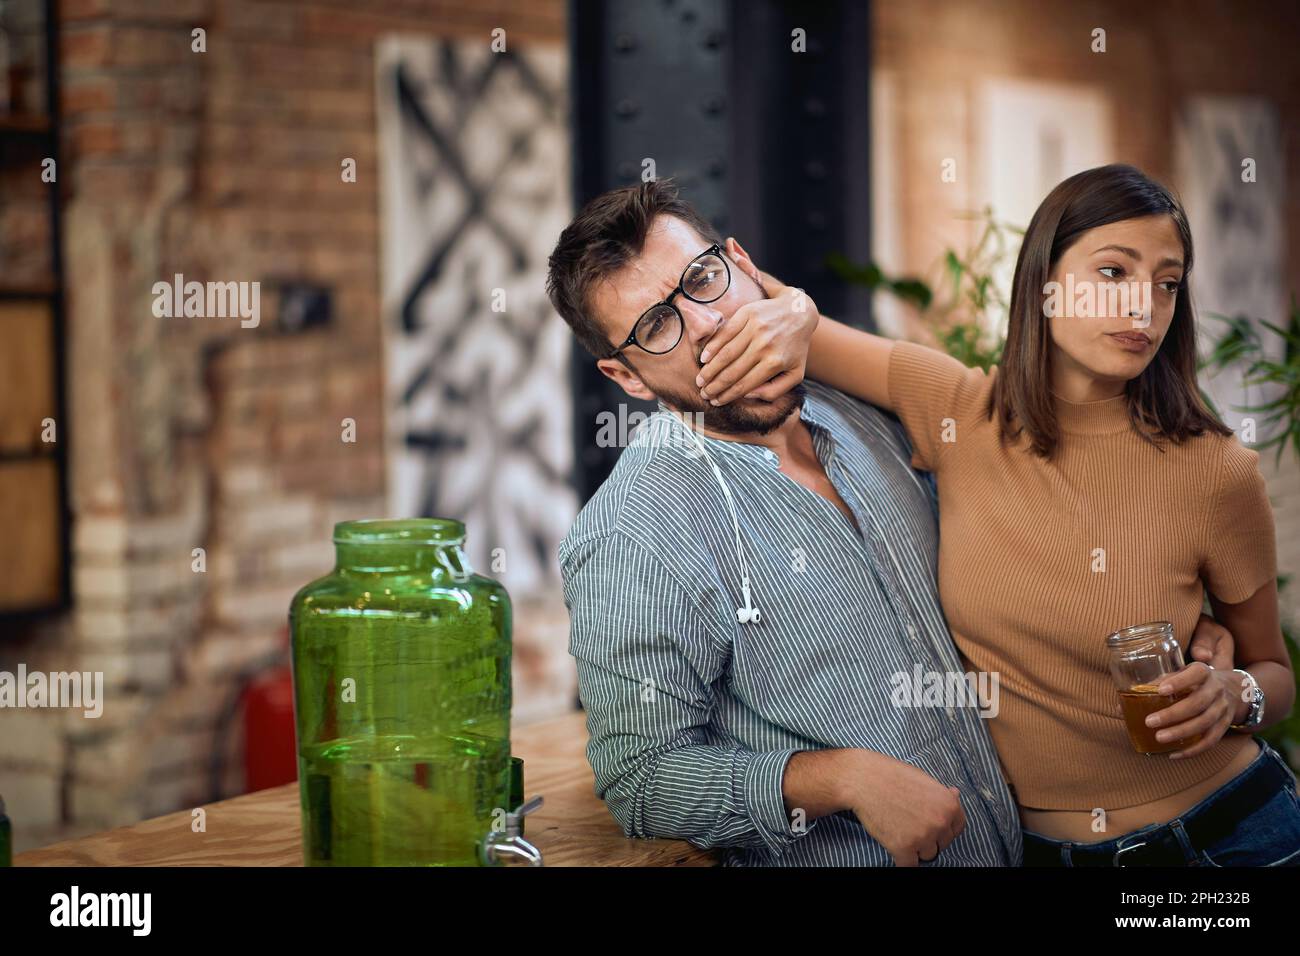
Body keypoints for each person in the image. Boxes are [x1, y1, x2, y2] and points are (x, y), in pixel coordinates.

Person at [544, 177, 1234, 866]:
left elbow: (1016, 539)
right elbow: (640, 780)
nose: (709, 325)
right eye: (657, 326)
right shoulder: (634, 533)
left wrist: (1183, 620)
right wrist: (837, 778)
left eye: (702, 280)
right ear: (626, 377)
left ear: (741, 264)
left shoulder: (863, 417)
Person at [699, 164, 1298, 866]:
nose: (1145, 306)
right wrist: (793, 309)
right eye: (1114, 272)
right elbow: (797, 325)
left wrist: (1235, 694)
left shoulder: (1216, 469)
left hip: (1227, 838)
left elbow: (1272, 671)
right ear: (1044, 283)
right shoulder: (958, 412)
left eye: (1168, 284)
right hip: (1037, 854)